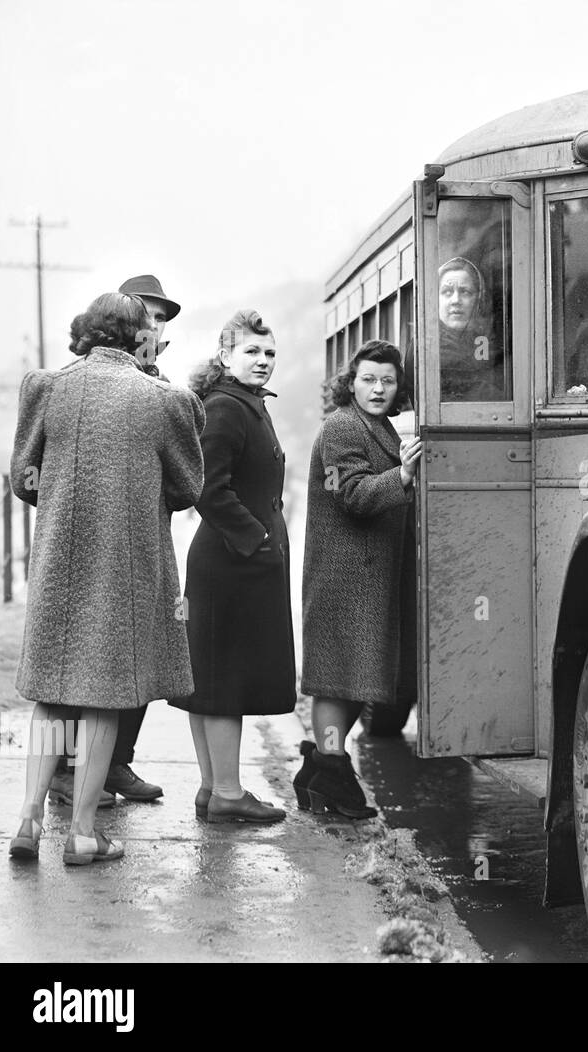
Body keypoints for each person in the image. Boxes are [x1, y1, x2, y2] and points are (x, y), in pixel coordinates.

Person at [8, 292, 204, 864]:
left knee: (49, 696)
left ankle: (27, 820)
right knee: (103, 702)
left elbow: (24, 478)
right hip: (126, 566)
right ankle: (84, 834)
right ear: (139, 337)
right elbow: (188, 487)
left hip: (57, 566)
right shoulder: (167, 402)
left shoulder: (45, 387)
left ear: (86, 333)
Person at [47, 274, 182, 809]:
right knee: (61, 668)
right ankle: (61, 770)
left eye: (162, 318)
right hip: (74, 544)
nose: (154, 325)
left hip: (138, 543)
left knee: (131, 657)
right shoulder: (67, 379)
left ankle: (113, 762)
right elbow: (32, 470)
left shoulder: (163, 388)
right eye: (146, 314)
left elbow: (182, 476)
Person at [169, 309, 295, 824]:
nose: (263, 361)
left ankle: (210, 787)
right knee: (226, 679)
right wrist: (259, 540)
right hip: (230, 562)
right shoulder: (226, 407)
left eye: (269, 353)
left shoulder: (247, 404)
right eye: (251, 352)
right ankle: (226, 791)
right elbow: (207, 488)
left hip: (233, 560)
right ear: (225, 357)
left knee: (215, 678)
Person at [296, 340, 422, 817]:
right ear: (352, 383)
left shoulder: (382, 425)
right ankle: (330, 770)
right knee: (338, 680)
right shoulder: (343, 426)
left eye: (388, 381)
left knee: (356, 679)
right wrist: (405, 475)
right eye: (369, 379)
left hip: (368, 575)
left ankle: (320, 771)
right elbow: (353, 495)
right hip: (345, 575)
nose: (378, 389)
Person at [438, 256, 505, 401]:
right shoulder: (426, 345)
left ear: (478, 300)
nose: (456, 300)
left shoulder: (481, 340)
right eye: (447, 292)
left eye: (465, 292)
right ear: (435, 299)